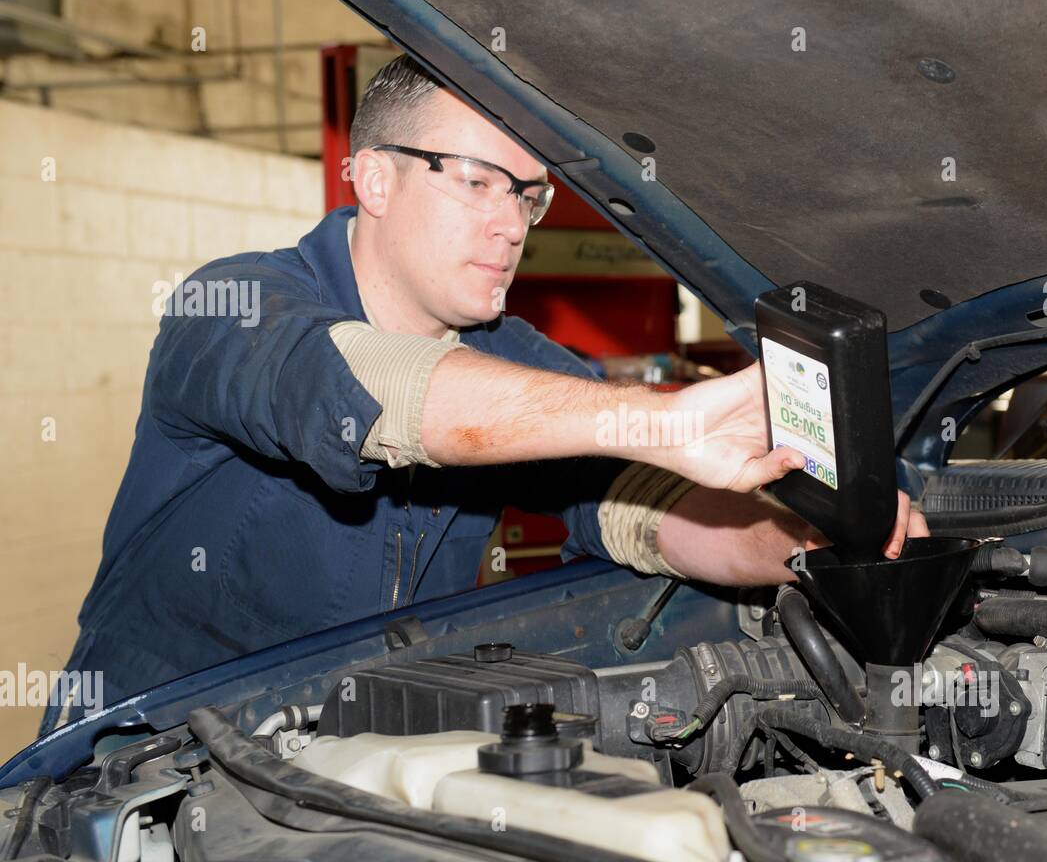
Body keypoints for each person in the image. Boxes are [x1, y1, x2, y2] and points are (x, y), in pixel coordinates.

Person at [40, 56, 926, 735]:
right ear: (375, 176)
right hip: (139, 768)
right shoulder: (229, 307)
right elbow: (355, 391)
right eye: (475, 181)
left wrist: (816, 542)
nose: (511, 225)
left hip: (356, 759)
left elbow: (635, 510)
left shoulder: (510, 355)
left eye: (528, 195)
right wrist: (656, 416)